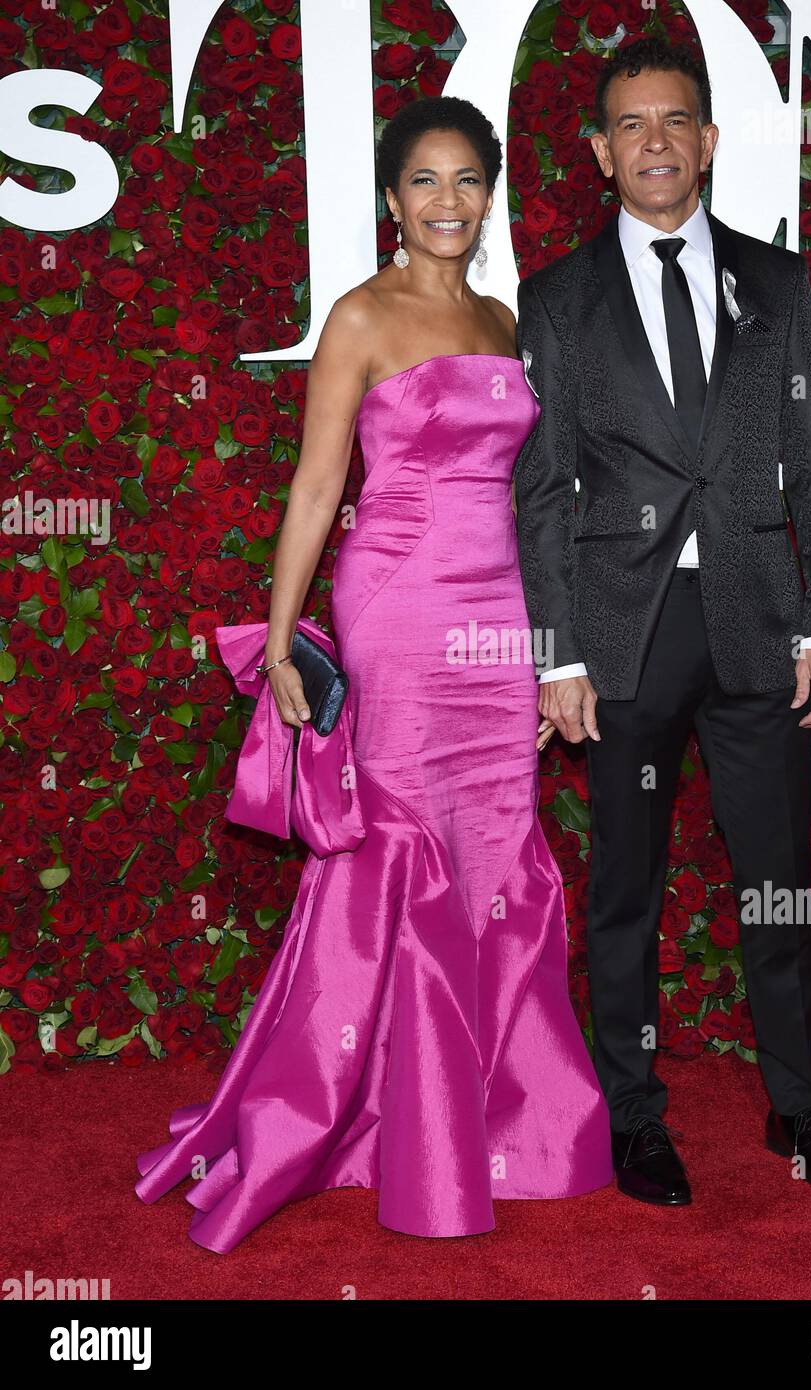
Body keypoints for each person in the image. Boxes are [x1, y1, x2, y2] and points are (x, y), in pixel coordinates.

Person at [135, 96, 613, 1252]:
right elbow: (313, 487)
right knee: (400, 853)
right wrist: (286, 632)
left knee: (496, 846)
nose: (447, 202)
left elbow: (537, 499)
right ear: (392, 200)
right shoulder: (359, 316)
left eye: (466, 182)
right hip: (397, 605)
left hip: (499, 617)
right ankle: (377, 1125)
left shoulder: (507, 321)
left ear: (489, 195)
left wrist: (553, 646)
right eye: (424, 183)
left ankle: (497, 1117)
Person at [513, 38, 811, 1206]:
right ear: (601, 151)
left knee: (776, 880)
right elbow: (541, 485)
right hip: (624, 631)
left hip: (760, 626)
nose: (655, 141)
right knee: (628, 885)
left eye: (675, 120)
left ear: (709, 142)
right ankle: (634, 1119)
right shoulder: (559, 298)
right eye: (632, 124)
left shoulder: (778, 284)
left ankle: (798, 1110)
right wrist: (556, 650)